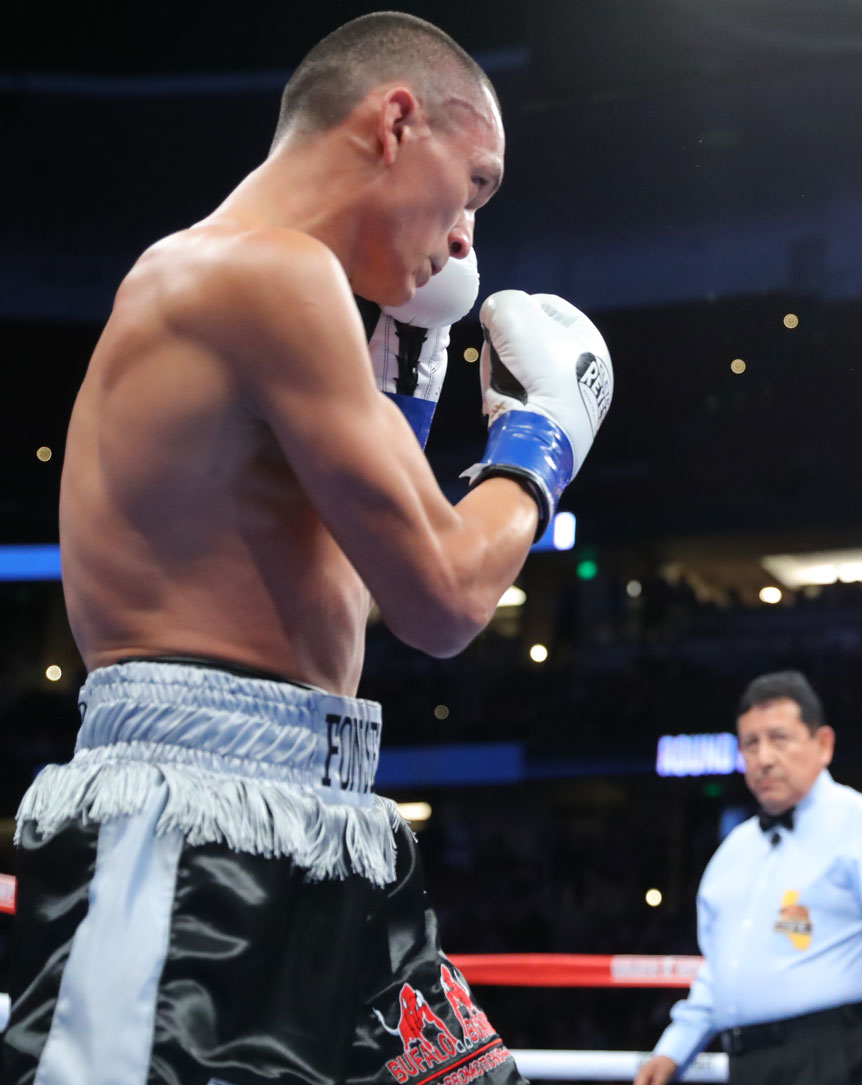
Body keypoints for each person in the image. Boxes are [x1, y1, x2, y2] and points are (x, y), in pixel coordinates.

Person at [2, 11, 613, 1084]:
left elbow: (354, 596)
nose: (469, 238)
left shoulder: (291, 294)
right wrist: (542, 438)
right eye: (472, 185)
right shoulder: (259, 273)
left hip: (327, 820)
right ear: (394, 121)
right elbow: (444, 599)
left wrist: (409, 396)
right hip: (187, 833)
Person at [634, 671, 862, 1085]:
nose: (764, 757)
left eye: (779, 738)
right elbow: (722, 970)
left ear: (823, 744)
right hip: (748, 1063)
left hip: (840, 1058)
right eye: (751, 743)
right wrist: (674, 1049)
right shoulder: (733, 852)